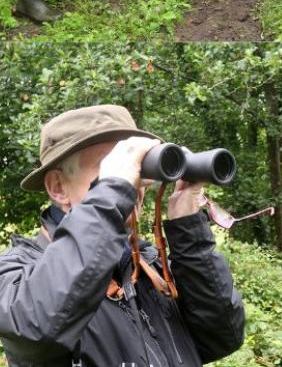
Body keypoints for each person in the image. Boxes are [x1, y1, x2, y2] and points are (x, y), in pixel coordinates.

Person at [0, 105, 245, 364]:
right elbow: (36, 329)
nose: (132, 182)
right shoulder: (17, 274)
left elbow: (221, 337)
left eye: (137, 168)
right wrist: (113, 190)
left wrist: (188, 230)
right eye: (110, 168)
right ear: (58, 187)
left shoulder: (148, 264)